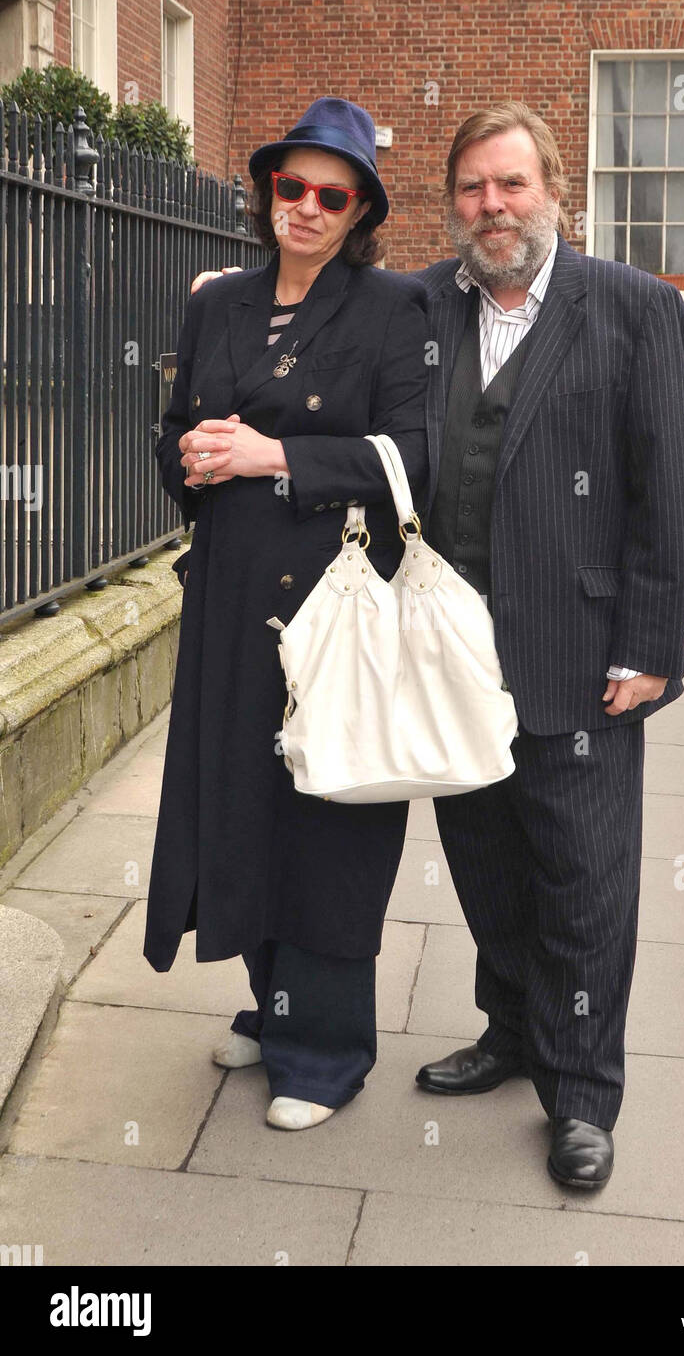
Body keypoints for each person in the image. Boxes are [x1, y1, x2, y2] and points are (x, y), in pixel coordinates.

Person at [191, 101, 684, 1187]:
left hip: (578, 653)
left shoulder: (630, 310)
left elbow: (668, 493)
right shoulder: (420, 300)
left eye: (511, 184)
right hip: (448, 656)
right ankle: (511, 1031)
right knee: (486, 868)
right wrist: (220, 303)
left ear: (554, 187)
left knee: (582, 882)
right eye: (472, 187)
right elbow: (326, 317)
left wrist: (647, 644)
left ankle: (580, 1097)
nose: (492, 205)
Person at [144, 97, 429, 1132]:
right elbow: (174, 427)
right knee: (241, 803)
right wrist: (188, 457)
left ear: (359, 212)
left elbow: (417, 458)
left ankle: (326, 1049)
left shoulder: (393, 311)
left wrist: (275, 456)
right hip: (228, 596)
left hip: (333, 603)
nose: (305, 207)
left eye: (330, 194)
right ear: (266, 193)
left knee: (328, 817)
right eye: (289, 187)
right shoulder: (217, 302)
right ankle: (272, 1010)